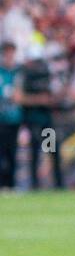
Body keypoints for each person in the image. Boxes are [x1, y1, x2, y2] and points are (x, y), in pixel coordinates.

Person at [17, 41, 63, 190]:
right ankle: (35, 185)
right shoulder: (24, 75)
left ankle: (58, 185)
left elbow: (56, 94)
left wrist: (52, 99)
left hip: (45, 121)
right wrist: (39, 100)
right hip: (32, 121)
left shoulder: (47, 75)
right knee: (35, 153)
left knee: (51, 151)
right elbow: (18, 97)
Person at [0, 42, 21, 189]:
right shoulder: (1, 72)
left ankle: (11, 185)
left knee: (12, 153)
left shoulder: (18, 72)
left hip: (14, 119)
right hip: (1, 119)